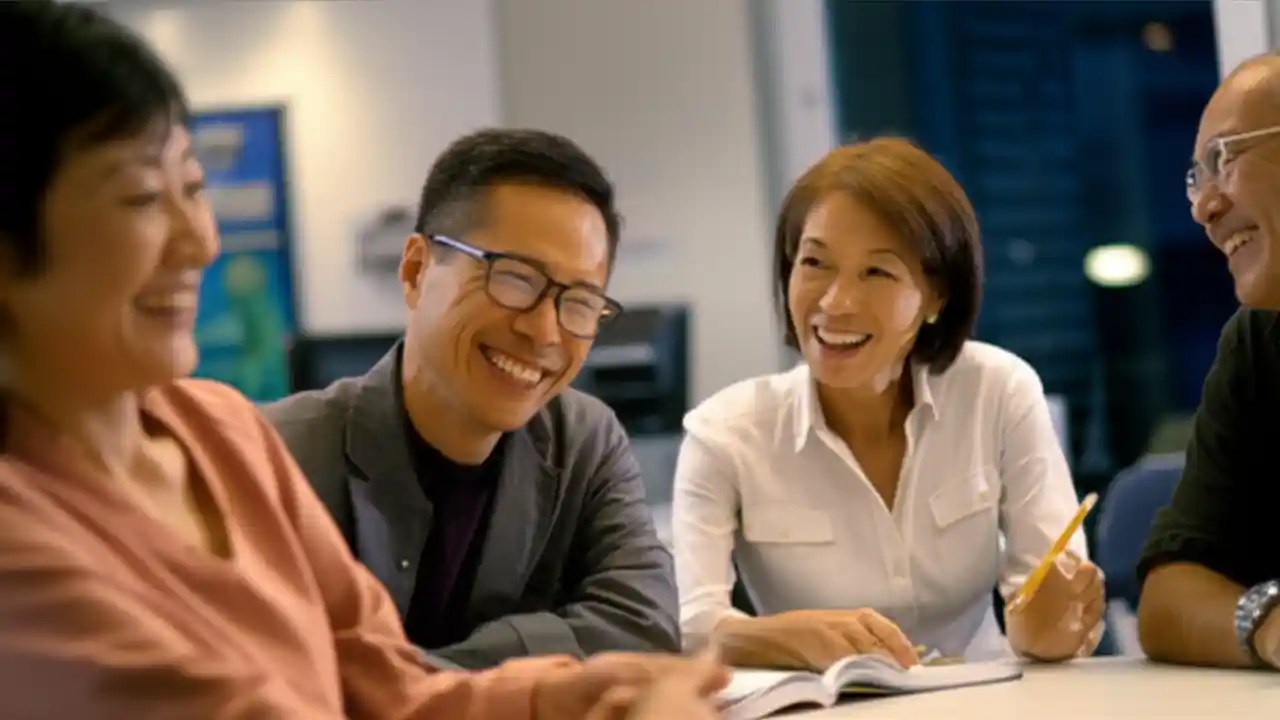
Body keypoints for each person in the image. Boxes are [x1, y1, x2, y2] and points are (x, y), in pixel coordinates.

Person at [0, 2, 724, 717]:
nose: (200, 244)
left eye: (193, 189)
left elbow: (385, 685)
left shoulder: (223, 433)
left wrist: (561, 695)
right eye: (140, 198)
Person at [672, 138, 1105, 670]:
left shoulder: (998, 390)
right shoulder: (725, 434)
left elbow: (1047, 597)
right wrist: (791, 635)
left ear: (935, 298)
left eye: (876, 272)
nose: (835, 303)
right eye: (814, 263)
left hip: (983, 697)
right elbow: (693, 628)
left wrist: (1051, 628)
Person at [261, 127, 678, 668]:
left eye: (579, 302)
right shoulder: (276, 457)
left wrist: (412, 682)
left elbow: (643, 626)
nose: (545, 332)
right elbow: (265, 675)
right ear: (415, 270)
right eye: (516, 278)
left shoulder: (582, 442)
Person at [1137, 53, 1280, 671]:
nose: (1204, 208)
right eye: (1197, 177)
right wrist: (1269, 626)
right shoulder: (1256, 346)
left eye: (1225, 158)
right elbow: (1168, 594)